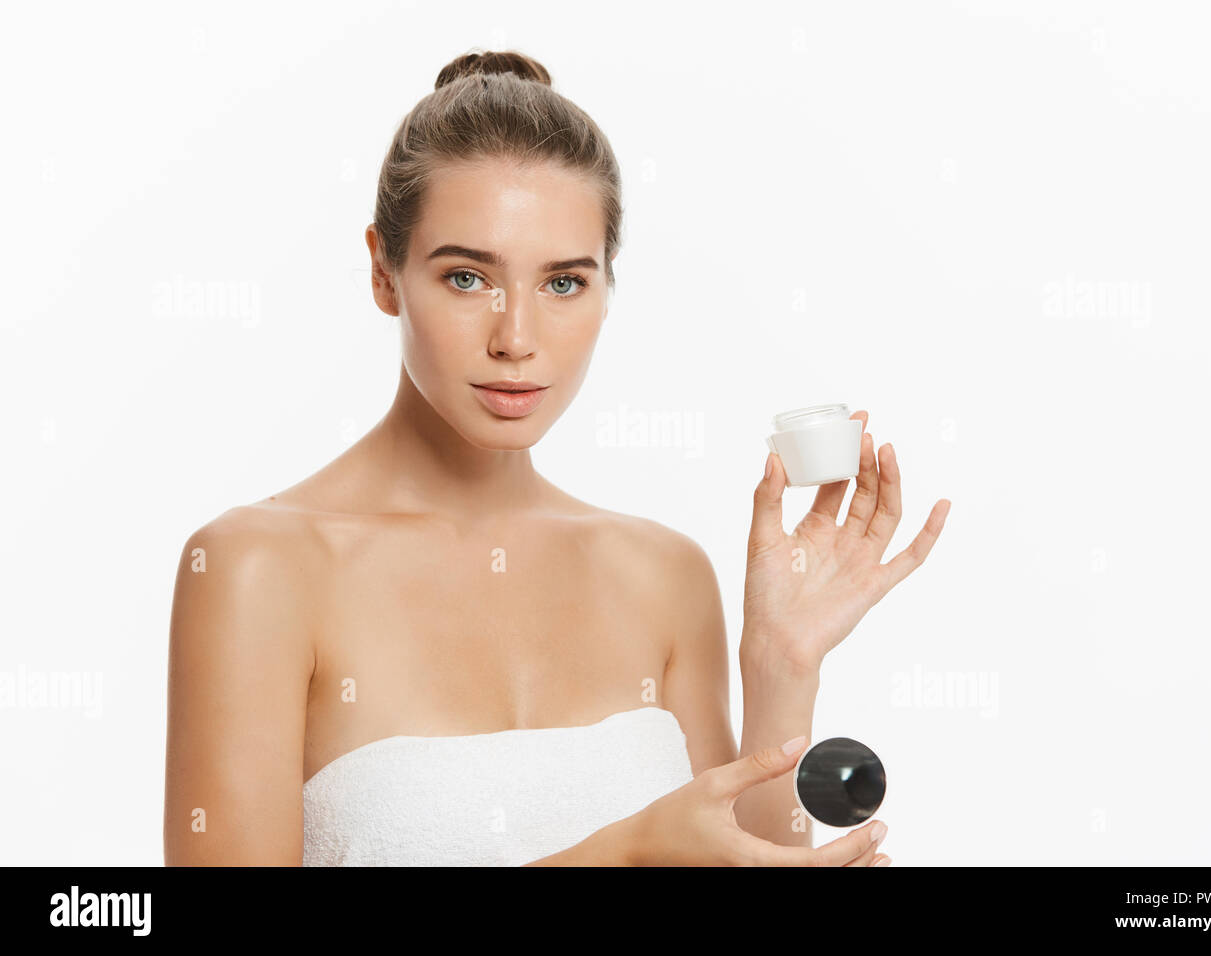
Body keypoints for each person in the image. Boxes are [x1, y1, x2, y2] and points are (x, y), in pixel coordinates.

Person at [163, 48, 950, 866]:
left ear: (608, 285)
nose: (516, 339)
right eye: (467, 278)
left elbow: (738, 861)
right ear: (382, 271)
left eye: (564, 283)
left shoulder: (662, 573)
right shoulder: (259, 568)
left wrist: (783, 669)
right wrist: (622, 853)